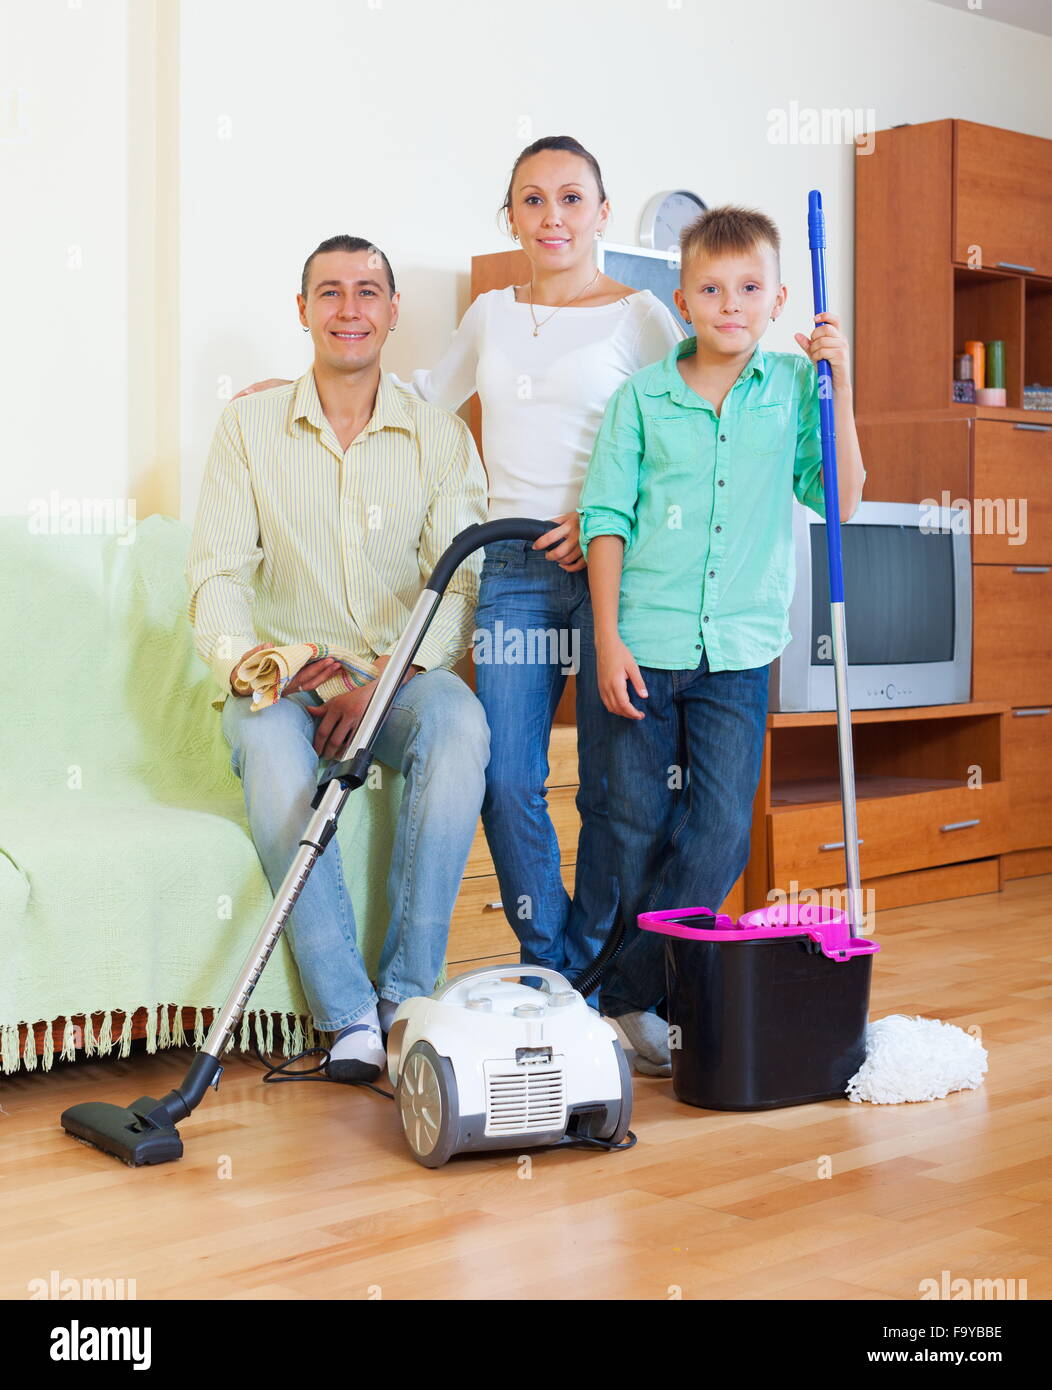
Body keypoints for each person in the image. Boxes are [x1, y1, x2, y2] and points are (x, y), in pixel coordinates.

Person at [236, 136, 685, 990]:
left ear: (600, 211)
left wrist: (593, 516)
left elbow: (675, 438)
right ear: (510, 215)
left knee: (613, 792)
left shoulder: (641, 317)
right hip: (510, 571)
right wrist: (285, 389)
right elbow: (420, 403)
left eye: (570, 198)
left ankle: (614, 982)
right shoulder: (491, 313)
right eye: (532, 200)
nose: (552, 217)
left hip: (606, 566)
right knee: (509, 779)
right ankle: (550, 971)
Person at [186, 234, 489, 1083]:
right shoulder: (247, 426)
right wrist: (258, 667)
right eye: (330, 292)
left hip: (396, 678)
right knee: (276, 756)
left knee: (461, 723)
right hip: (285, 682)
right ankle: (349, 1017)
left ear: (393, 312)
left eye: (367, 292)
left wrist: (385, 680)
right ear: (303, 311)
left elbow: (459, 586)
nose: (349, 308)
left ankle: (406, 1002)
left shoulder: (439, 438)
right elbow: (216, 571)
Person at [579, 205, 866, 1075]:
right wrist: (605, 640)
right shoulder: (643, 399)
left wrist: (841, 390)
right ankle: (649, 999)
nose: (729, 304)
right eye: (711, 288)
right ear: (683, 298)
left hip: (738, 654)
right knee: (630, 825)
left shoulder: (792, 390)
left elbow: (844, 499)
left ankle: (625, 992)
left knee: (718, 836)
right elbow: (606, 520)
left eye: (748, 289)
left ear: (778, 299)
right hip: (644, 643)